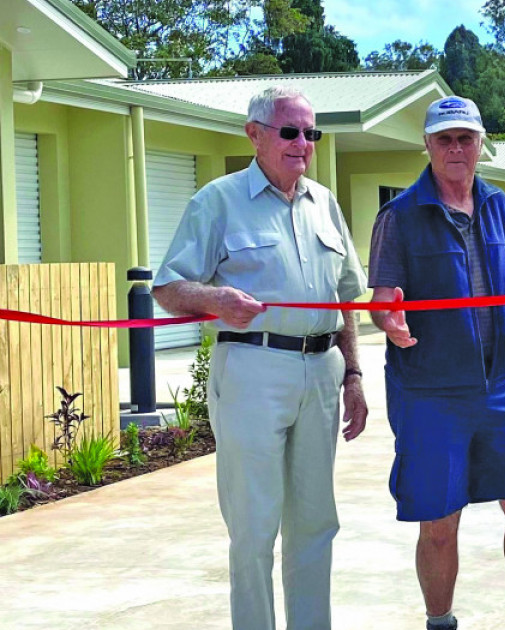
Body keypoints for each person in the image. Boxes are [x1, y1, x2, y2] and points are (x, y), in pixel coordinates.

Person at [153, 86, 369, 630]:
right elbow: (168, 287)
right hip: (252, 370)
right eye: (291, 132)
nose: (304, 144)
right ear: (254, 134)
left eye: (311, 134)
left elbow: (345, 297)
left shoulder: (326, 203)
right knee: (253, 527)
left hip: (322, 372)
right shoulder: (217, 201)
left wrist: (356, 375)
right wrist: (214, 299)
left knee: (317, 522)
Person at [367, 96, 505, 630]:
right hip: (430, 394)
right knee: (439, 521)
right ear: (426, 145)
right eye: (444, 138)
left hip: (500, 387)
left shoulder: (499, 205)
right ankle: (440, 621)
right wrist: (390, 320)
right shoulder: (399, 216)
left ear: (480, 145)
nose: (455, 148)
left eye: (465, 138)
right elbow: (383, 297)